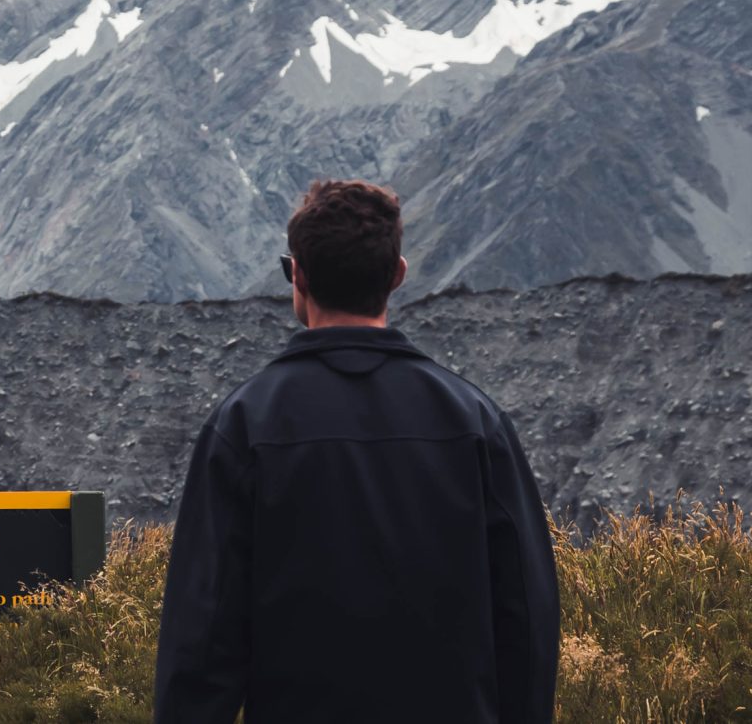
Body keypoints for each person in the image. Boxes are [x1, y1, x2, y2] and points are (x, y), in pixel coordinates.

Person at [153, 178, 559, 723]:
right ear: (397, 275)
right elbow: (526, 616)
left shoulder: (244, 426)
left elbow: (202, 635)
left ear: (297, 274)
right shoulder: (474, 422)